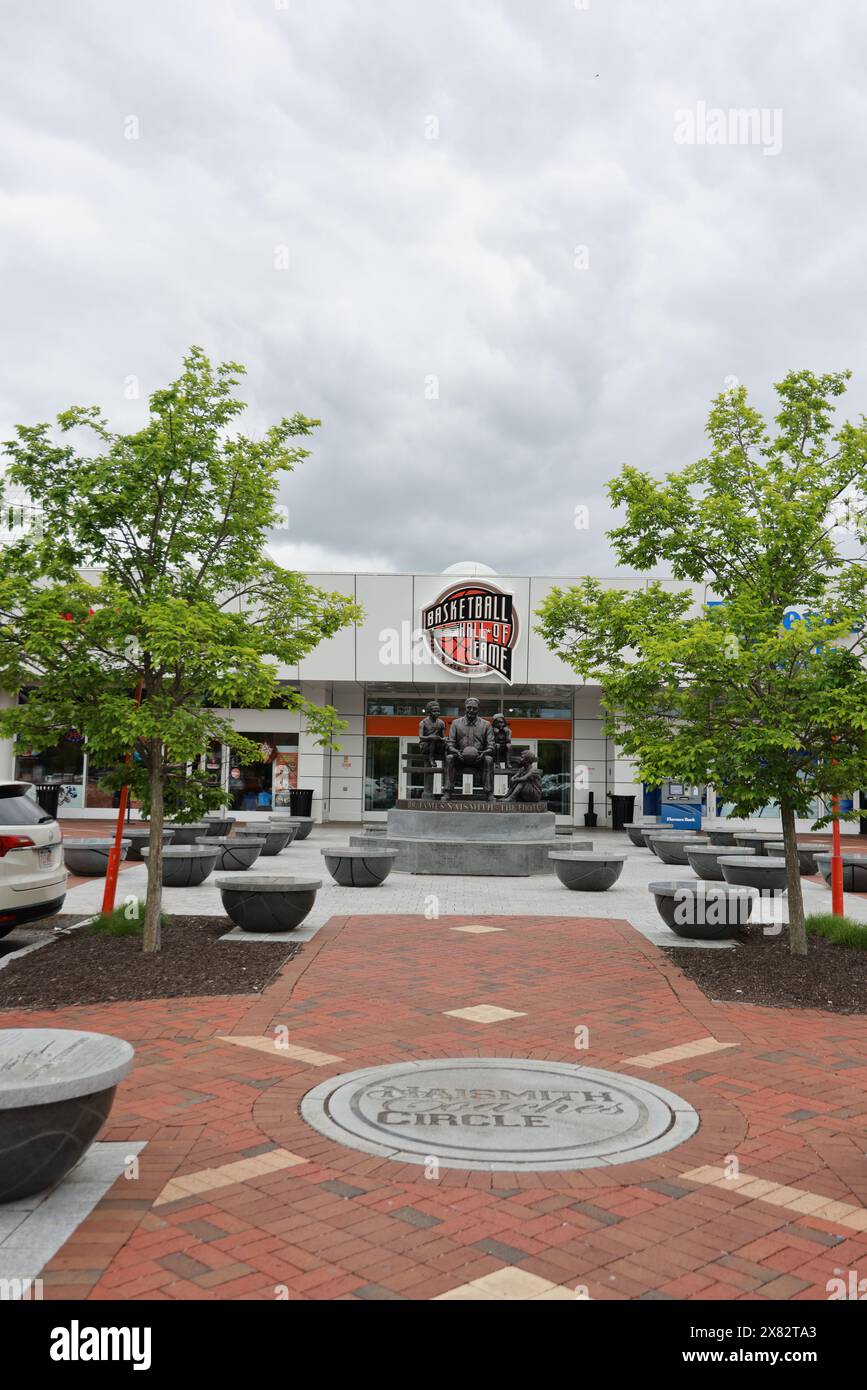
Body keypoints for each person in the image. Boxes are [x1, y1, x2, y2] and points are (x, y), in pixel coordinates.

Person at [443, 697, 494, 800]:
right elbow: (450, 744)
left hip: (479, 759)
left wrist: (483, 753)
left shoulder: (486, 724)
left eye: (474, 708)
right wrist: (457, 752)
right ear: (465, 708)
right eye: (469, 707)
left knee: (489, 760)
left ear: (478, 709)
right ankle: (447, 792)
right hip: (460, 758)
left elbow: (491, 746)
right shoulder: (455, 723)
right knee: (449, 758)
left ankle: (489, 793)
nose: (471, 710)